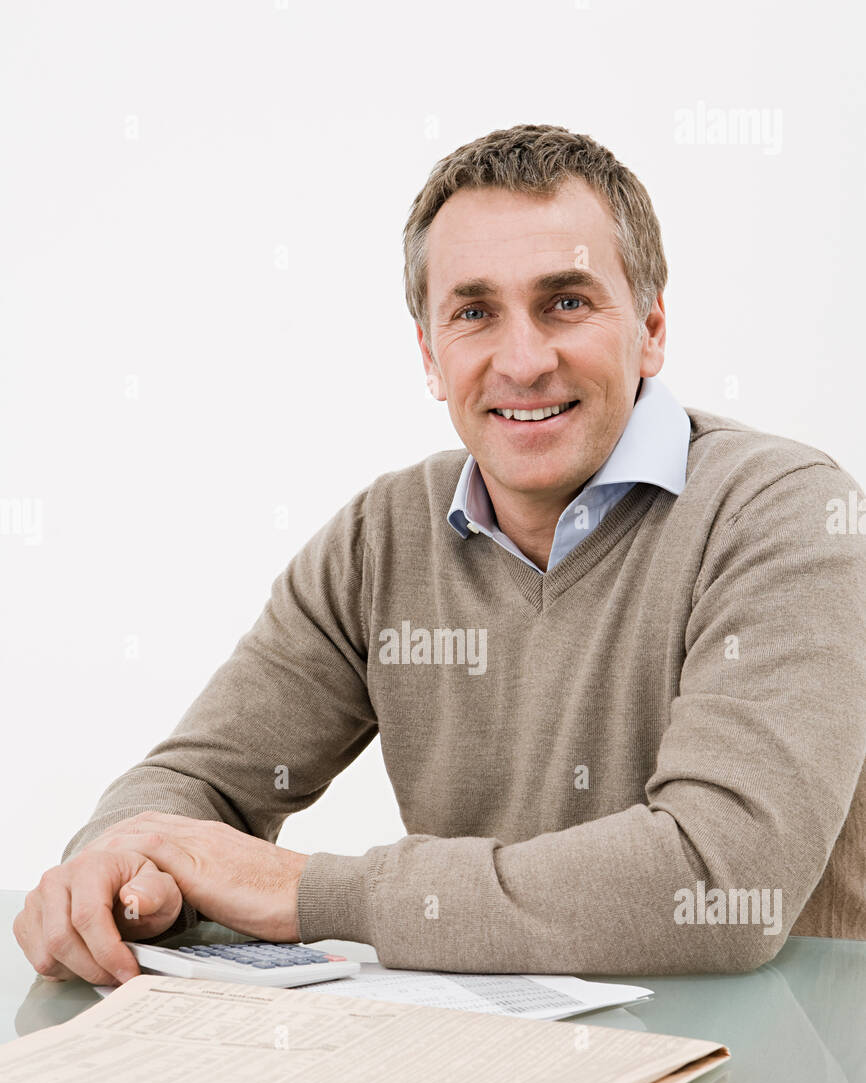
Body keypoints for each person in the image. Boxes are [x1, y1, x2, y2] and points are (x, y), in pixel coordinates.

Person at [14, 123, 866, 988]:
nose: (525, 360)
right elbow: (199, 780)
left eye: (566, 301)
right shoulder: (382, 537)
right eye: (473, 313)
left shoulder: (786, 514)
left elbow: (725, 881)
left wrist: (314, 893)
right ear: (430, 353)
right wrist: (119, 869)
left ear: (649, 328)